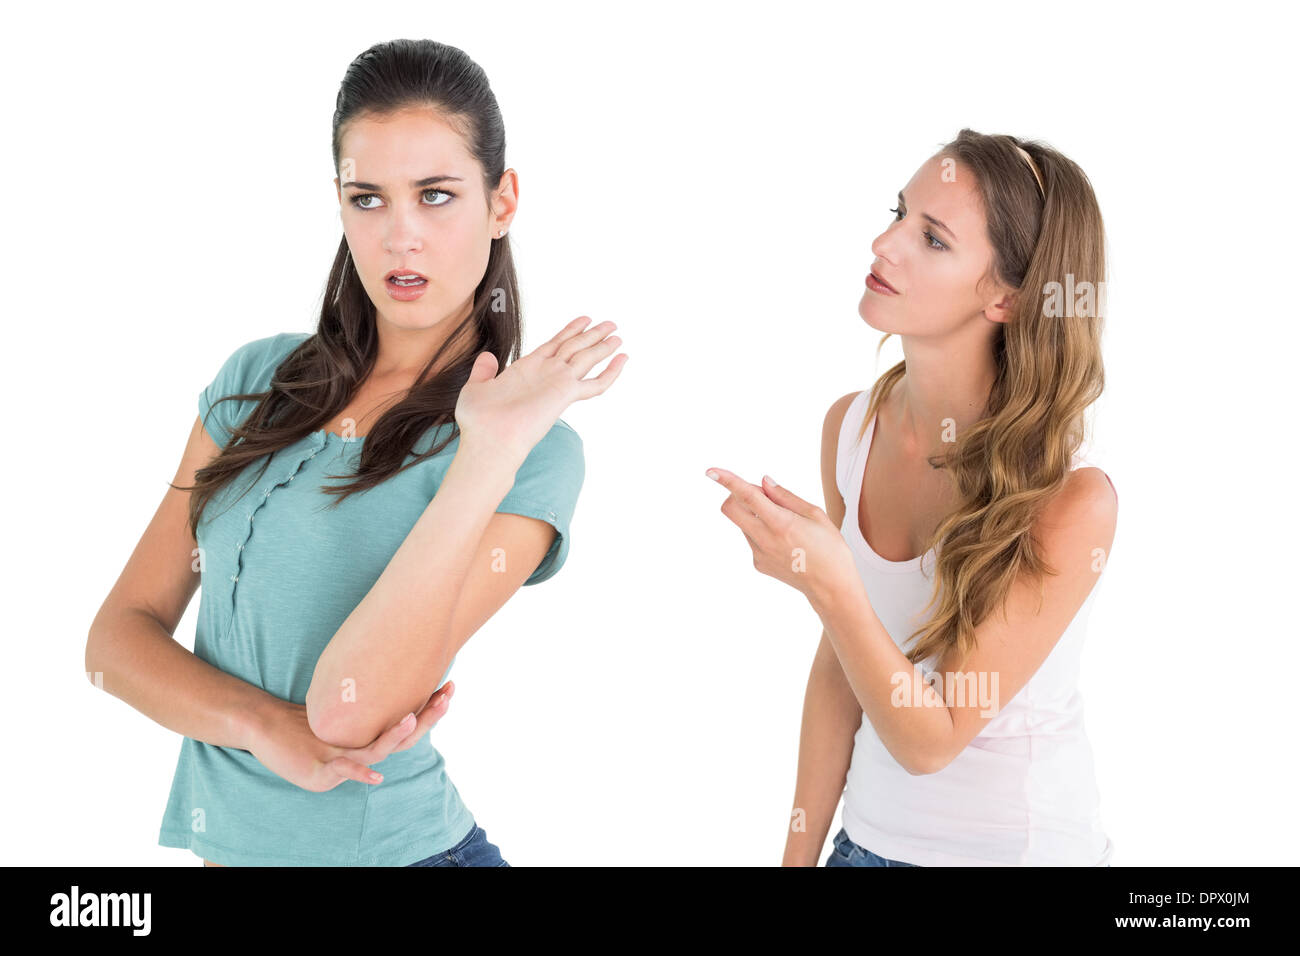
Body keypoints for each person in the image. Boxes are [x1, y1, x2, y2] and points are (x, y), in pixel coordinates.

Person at [85, 38, 625, 867]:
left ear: (503, 199)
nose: (400, 237)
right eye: (368, 199)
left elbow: (349, 712)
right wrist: (263, 728)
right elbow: (116, 643)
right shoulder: (256, 380)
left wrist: (488, 452)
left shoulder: (534, 455)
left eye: (437, 195)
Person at [707, 129, 1116, 866]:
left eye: (931, 239)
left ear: (1007, 298)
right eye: (898, 212)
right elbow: (843, 667)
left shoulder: (1071, 499)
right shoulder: (852, 428)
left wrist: (829, 585)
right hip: (863, 847)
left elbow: (932, 740)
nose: (883, 243)